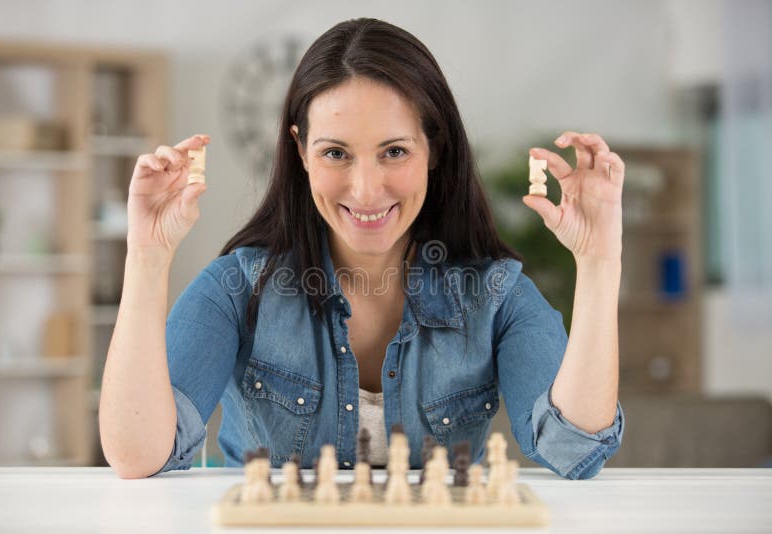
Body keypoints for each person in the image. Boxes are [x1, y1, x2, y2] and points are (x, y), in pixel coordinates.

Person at [99, 17, 625, 481]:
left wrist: (599, 263)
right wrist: (147, 255)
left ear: (434, 148)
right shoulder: (236, 289)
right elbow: (137, 456)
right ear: (301, 151)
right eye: (336, 153)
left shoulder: (496, 295)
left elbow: (573, 450)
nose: (367, 190)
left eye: (394, 151)